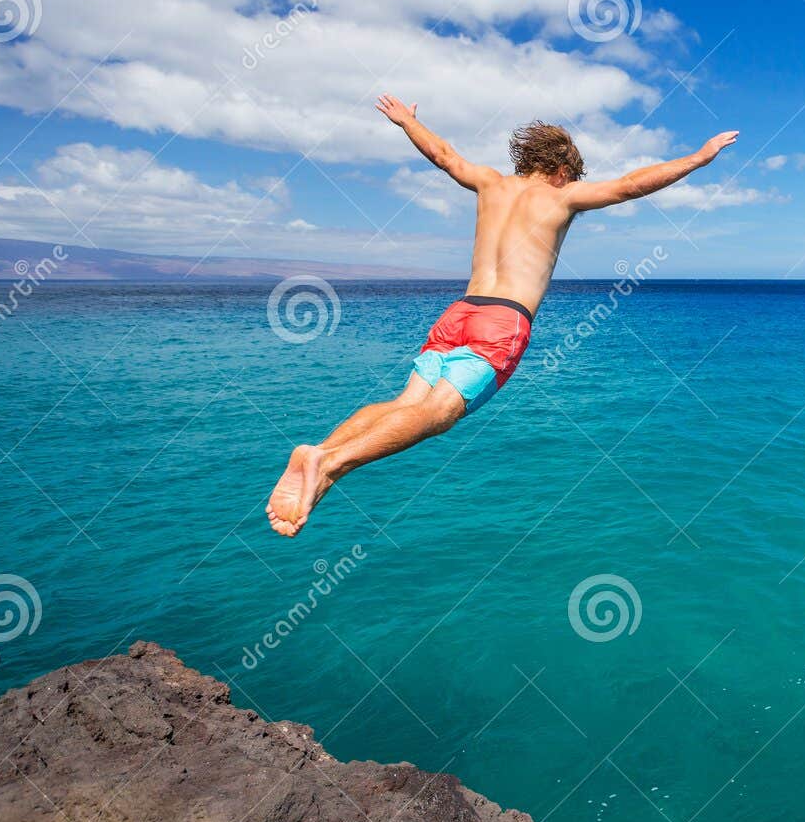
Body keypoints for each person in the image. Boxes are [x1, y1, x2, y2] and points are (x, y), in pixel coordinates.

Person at [265, 95, 739, 537]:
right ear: (562, 170)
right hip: (502, 322)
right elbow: (631, 185)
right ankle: (329, 463)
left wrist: (408, 122)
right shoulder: (562, 195)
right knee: (437, 416)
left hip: (458, 313)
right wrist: (698, 158)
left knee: (406, 403)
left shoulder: (489, 182)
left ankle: (321, 456)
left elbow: (443, 155)